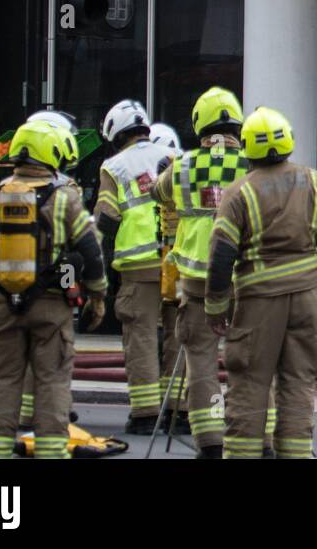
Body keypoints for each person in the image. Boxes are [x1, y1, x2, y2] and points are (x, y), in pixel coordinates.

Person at [206, 106, 317, 459]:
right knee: (298, 382)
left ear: (247, 148)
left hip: (259, 303)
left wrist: (216, 307)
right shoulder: (316, 181)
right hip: (307, 298)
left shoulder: (239, 193)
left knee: (250, 382)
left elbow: (222, 256)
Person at [0, 118, 107, 460]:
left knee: (2, 384)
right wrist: (97, 297)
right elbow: (90, 251)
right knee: (52, 383)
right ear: (52, 153)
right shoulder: (65, 199)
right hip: (52, 309)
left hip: (3, 308)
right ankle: (51, 453)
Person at [152, 88, 248, 458]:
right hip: (243, 280)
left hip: (196, 283)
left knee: (201, 364)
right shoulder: (252, 166)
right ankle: (258, 440)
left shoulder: (183, 166)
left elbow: (158, 196)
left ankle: (210, 442)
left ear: (199, 125)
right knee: (251, 363)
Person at [96, 99, 165, 434]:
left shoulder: (115, 167)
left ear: (115, 133)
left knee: (141, 338)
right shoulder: (174, 159)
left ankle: (146, 413)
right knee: (180, 338)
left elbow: (106, 218)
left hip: (139, 268)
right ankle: (179, 413)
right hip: (178, 265)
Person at [15, 109, 81, 432]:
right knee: (54, 357)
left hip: (13, 287)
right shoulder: (65, 188)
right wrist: (78, 286)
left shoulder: (6, 188)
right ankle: (55, 412)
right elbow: (77, 245)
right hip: (55, 284)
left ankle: (31, 412)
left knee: (25, 353)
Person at [148, 121, 186, 434]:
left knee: (175, 335)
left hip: (172, 264)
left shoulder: (171, 172)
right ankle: (177, 405)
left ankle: (174, 406)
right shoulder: (191, 169)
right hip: (188, 263)